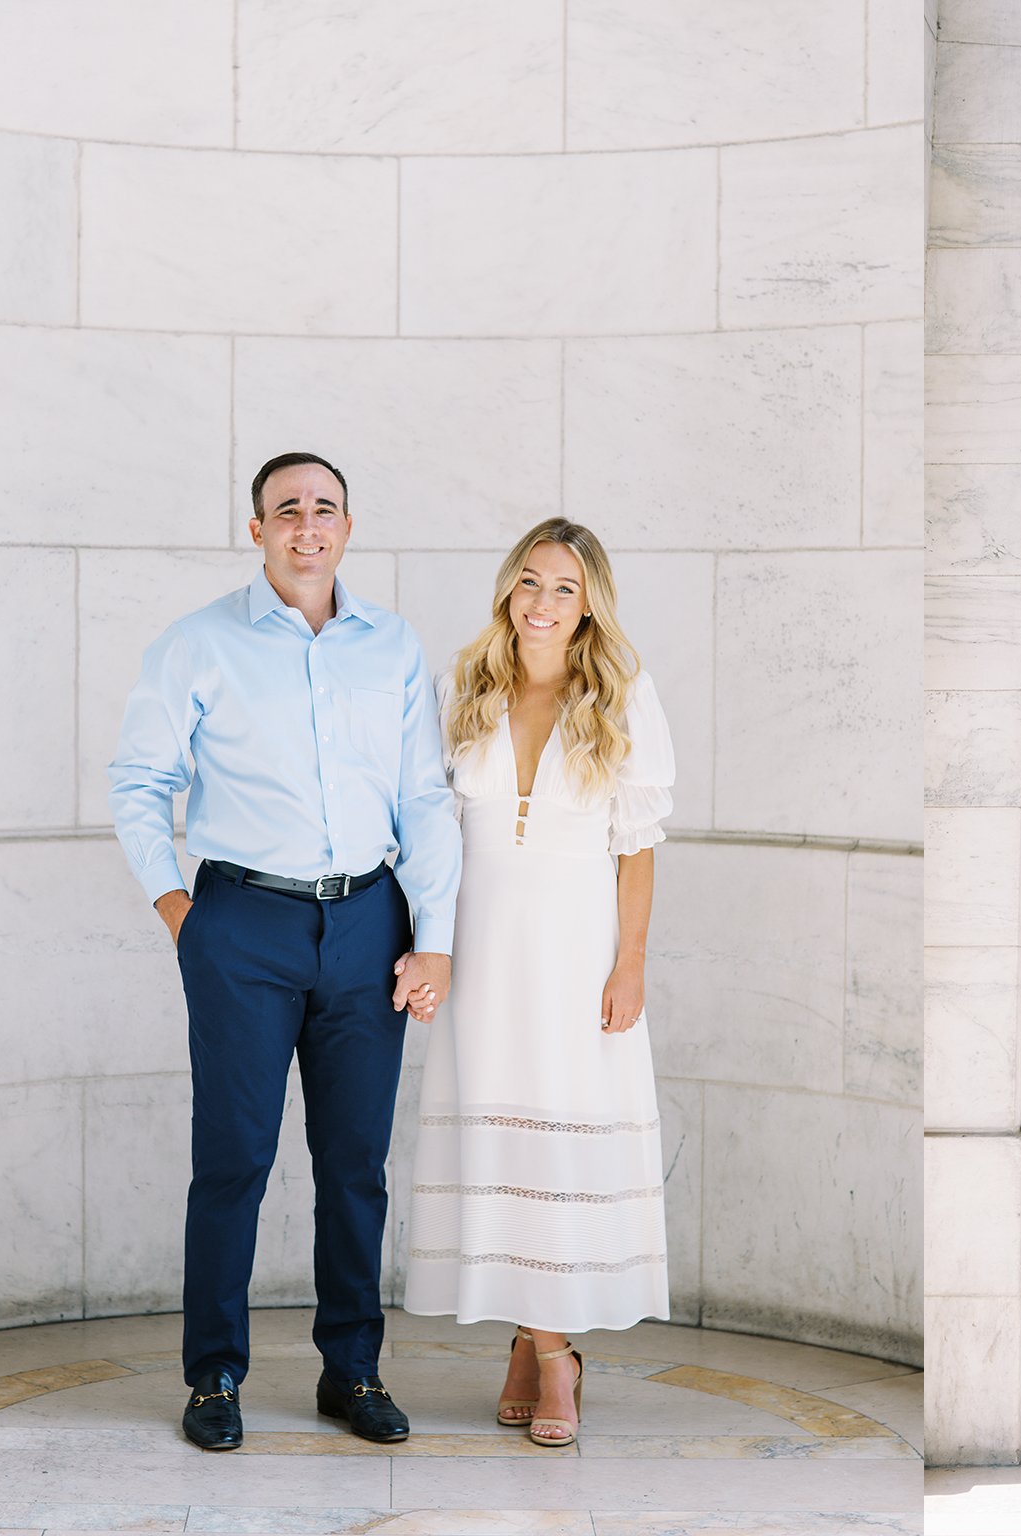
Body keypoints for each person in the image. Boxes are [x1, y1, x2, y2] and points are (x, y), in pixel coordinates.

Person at [108, 452, 462, 1452]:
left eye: (325, 508)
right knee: (234, 1158)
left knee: (355, 1165)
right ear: (256, 529)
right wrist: (180, 909)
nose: (307, 524)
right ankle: (214, 1377)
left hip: (366, 924)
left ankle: (351, 1370)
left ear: (348, 525)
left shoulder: (390, 646)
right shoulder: (197, 646)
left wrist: (432, 939)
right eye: (286, 510)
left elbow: (423, 797)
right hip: (241, 926)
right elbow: (138, 781)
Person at [403, 518, 674, 1450]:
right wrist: (425, 944)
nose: (542, 602)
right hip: (482, 954)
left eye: (564, 586)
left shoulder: (623, 698)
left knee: (559, 1146)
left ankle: (553, 1351)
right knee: (505, 1145)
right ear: (506, 592)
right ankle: (530, 1334)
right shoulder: (464, 687)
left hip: (574, 958)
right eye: (529, 582)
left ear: (590, 600)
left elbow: (635, 851)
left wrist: (628, 962)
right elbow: (429, 834)